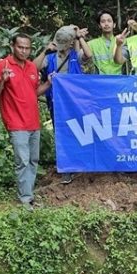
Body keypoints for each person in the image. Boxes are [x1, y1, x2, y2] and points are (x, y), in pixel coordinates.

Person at [0, 33, 50, 210]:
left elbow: (34, 92)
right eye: (20, 47)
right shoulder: (3, 65)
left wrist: (48, 84)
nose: (23, 51)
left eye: (27, 48)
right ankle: (25, 199)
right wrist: (2, 80)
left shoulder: (31, 67)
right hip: (16, 122)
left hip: (33, 121)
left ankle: (28, 195)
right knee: (22, 160)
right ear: (12, 47)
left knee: (33, 160)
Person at [35, 25, 90, 185]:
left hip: (76, 102)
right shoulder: (50, 58)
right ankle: (66, 168)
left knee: (79, 130)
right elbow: (33, 67)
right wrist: (45, 51)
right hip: (56, 101)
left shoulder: (75, 55)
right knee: (61, 132)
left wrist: (79, 37)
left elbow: (88, 55)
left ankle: (79, 162)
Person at [89, 10, 124, 75]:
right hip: (99, 82)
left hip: (118, 81)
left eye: (109, 21)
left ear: (114, 25)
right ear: (99, 25)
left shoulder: (123, 42)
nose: (106, 24)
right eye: (103, 21)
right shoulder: (91, 44)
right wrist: (79, 38)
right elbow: (80, 59)